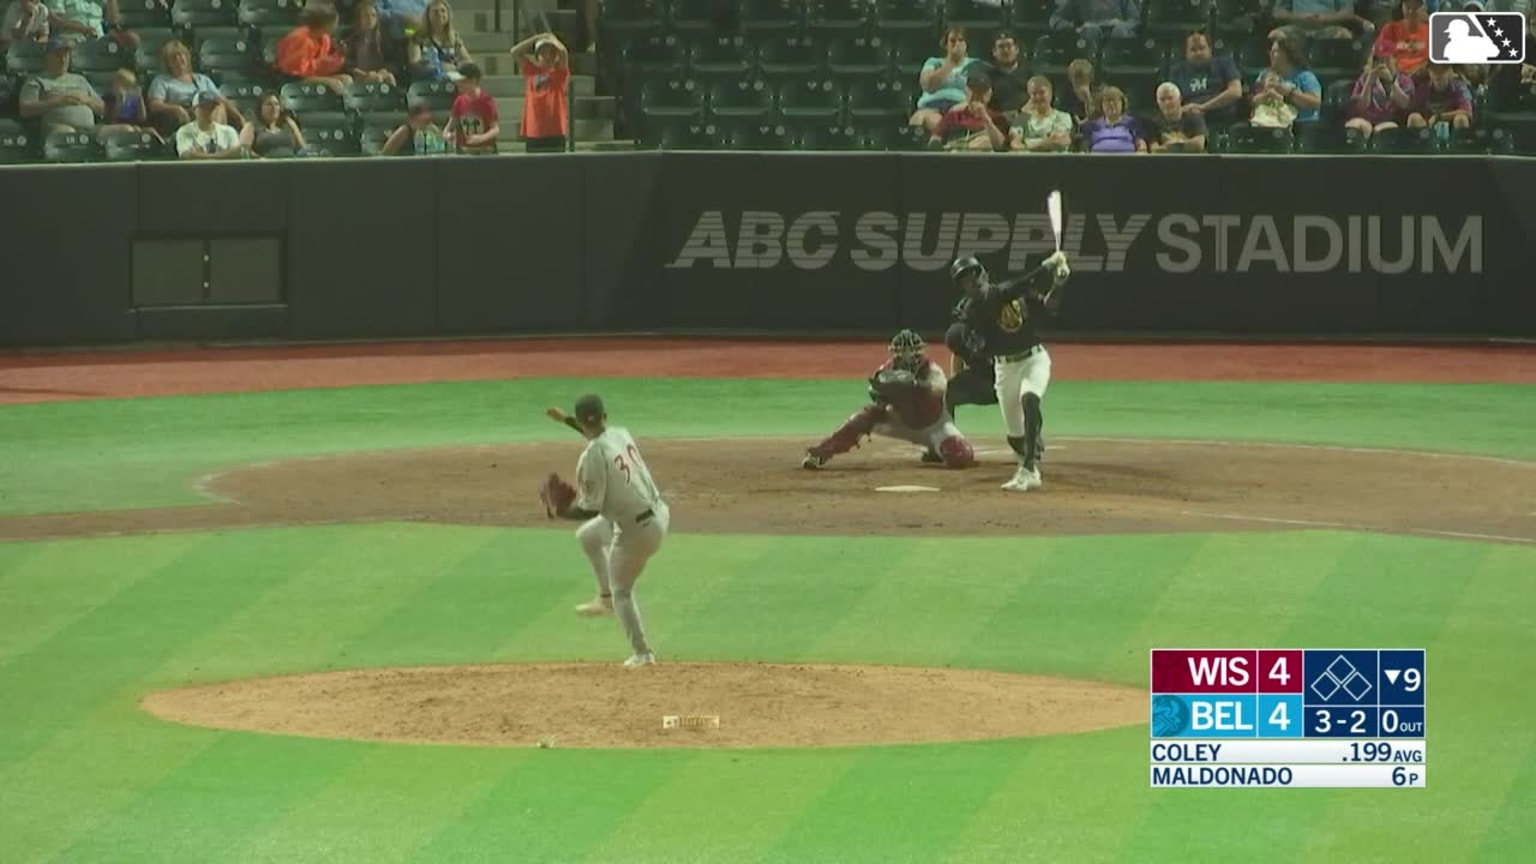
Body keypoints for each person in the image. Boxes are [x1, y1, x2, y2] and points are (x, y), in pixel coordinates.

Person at [543, 394, 670, 668]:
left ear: (580, 421)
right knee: (588, 536)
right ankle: (604, 599)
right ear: (605, 416)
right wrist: (565, 419)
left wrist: (561, 512)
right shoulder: (619, 434)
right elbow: (595, 435)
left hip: (638, 531)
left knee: (622, 590)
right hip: (658, 512)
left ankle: (642, 654)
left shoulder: (590, 458)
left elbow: (590, 509)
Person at [950, 249, 1071, 491]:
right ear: (962, 287)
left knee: (1030, 399)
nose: (973, 281)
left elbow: (1049, 307)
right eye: (966, 279)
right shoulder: (975, 309)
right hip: (1004, 370)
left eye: (975, 274)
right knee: (1015, 437)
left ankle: (1027, 471)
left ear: (983, 274)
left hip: (1033, 360)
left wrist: (1058, 283)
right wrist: (1047, 264)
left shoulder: (1005, 292)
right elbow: (1020, 285)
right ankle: (1029, 455)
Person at [801, 330, 977, 471]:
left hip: (933, 426)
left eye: (911, 351)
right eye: (902, 351)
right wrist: (887, 390)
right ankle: (821, 453)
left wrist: (914, 385)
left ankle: (935, 451)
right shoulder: (886, 370)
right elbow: (874, 391)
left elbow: (939, 389)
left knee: (960, 457)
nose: (907, 355)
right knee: (866, 415)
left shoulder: (932, 369)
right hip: (899, 422)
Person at [18, 36, 101, 134]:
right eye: (58, 55)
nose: (63, 59)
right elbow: (25, 109)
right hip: (59, 130)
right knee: (69, 134)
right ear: (47, 57)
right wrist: (57, 101)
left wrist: (86, 100)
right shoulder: (36, 80)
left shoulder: (80, 79)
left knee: (122, 131)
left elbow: (102, 108)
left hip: (91, 130)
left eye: (66, 55)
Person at [911, 26, 979, 134]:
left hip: (960, 107)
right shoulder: (933, 62)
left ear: (966, 44)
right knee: (927, 119)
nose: (957, 44)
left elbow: (980, 92)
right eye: (952, 41)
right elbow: (928, 86)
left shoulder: (975, 64)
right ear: (945, 44)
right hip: (932, 107)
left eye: (961, 40)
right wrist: (951, 63)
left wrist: (966, 104)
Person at [510, 31, 569, 153]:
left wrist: (552, 39)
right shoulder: (531, 71)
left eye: (550, 52)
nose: (547, 56)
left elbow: (563, 53)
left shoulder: (559, 73)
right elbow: (515, 52)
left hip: (555, 130)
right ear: (537, 56)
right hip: (534, 130)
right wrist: (537, 38)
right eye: (543, 52)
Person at [275, 5, 352, 94]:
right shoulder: (300, 39)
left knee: (347, 79)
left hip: (313, 75)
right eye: (334, 23)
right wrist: (324, 65)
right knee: (336, 84)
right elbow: (297, 71)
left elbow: (321, 65)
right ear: (324, 24)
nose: (336, 25)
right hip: (293, 78)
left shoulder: (325, 38)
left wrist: (339, 55)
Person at [930, 73, 1011, 151]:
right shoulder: (953, 116)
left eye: (982, 92)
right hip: (953, 157)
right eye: (974, 91)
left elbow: (1001, 147)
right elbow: (934, 140)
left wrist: (985, 118)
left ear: (989, 94)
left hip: (983, 161)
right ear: (966, 91)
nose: (977, 96)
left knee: (984, 142)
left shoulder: (998, 118)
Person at [443, 62, 498, 154]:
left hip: (485, 151)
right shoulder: (459, 101)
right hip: (465, 151)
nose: (459, 84)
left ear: (473, 81)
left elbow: (495, 129)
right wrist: (448, 135)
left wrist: (481, 138)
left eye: (462, 81)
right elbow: (448, 127)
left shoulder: (486, 101)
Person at [175, 89, 242, 159]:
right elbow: (186, 155)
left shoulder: (228, 131)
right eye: (204, 107)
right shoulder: (185, 131)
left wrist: (200, 155)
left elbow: (236, 153)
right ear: (194, 110)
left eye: (212, 107)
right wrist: (225, 154)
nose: (209, 111)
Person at [239, 92, 306, 157]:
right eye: (269, 104)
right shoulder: (251, 126)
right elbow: (244, 150)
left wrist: (292, 125)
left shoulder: (288, 124)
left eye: (276, 104)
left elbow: (303, 148)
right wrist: (260, 159)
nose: (273, 108)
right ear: (260, 108)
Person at [1148, 82, 1208, 152]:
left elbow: (1199, 145)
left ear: (1180, 99)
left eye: (1170, 98)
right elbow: (1155, 150)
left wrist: (1171, 143)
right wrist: (1184, 144)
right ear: (1157, 102)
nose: (1166, 103)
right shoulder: (1154, 122)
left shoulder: (1194, 117)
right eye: (1162, 100)